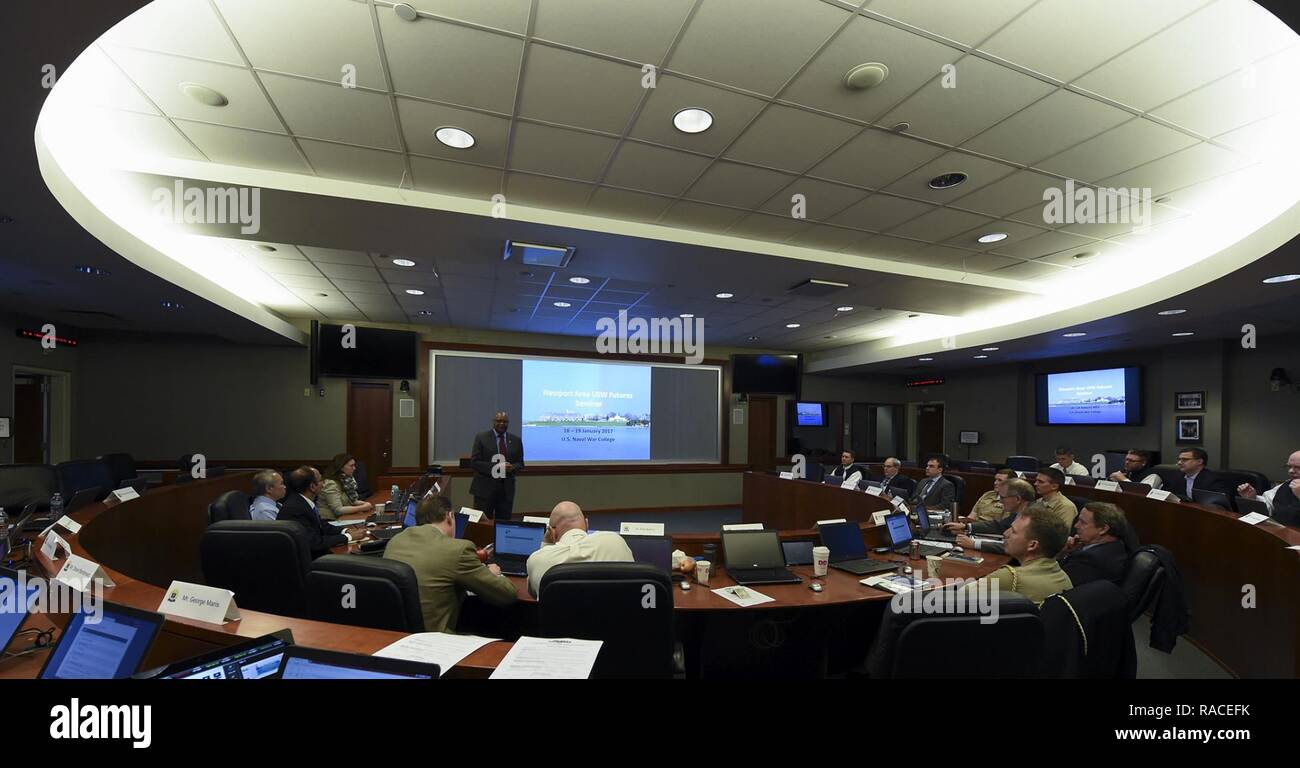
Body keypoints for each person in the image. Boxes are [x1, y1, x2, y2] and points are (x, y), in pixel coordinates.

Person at [383, 493, 517, 632]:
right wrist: (494, 574)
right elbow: (507, 595)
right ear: (449, 516)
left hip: (395, 636)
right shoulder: (458, 549)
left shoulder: (396, 541)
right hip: (434, 641)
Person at [967, 507, 1073, 606]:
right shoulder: (1065, 579)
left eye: (1013, 531)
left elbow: (954, 600)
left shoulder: (1010, 578)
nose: (1005, 533)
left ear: (1032, 545)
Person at [525, 501, 634, 597]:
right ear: (587, 524)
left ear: (552, 533)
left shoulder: (537, 560)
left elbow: (534, 592)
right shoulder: (615, 541)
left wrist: (546, 545)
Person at [277, 466, 366, 557]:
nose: (324, 484)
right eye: (321, 480)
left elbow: (322, 526)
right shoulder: (295, 509)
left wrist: (346, 531)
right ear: (312, 486)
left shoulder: (302, 501)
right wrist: (349, 537)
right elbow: (315, 543)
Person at [946, 477, 1036, 554]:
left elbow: (1016, 547)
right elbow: (998, 526)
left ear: (1017, 499)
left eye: (1002, 497)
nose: (1000, 501)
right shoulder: (1020, 512)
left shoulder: (1033, 518)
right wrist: (965, 527)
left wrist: (974, 544)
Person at [1057, 502, 1130, 586]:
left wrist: (1061, 553)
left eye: (1083, 522)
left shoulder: (1089, 559)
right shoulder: (1117, 546)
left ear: (1103, 529)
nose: (1076, 526)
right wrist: (1068, 551)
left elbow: (1055, 582)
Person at [470, 411, 524, 520]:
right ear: (493, 422)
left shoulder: (516, 441)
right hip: (484, 489)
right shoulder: (481, 437)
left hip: (506, 490)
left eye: (505, 421)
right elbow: (475, 462)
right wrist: (497, 467)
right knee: (482, 524)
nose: (502, 424)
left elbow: (520, 463)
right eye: (499, 421)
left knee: (503, 523)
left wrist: (512, 467)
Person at [1236, 450, 1300, 525]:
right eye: (1289, 466)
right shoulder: (1285, 485)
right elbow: (1269, 506)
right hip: (1279, 533)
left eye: (1298, 467)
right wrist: (1253, 498)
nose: (1291, 471)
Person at [317, 453, 375, 521]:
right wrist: (362, 507)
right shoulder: (331, 483)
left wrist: (365, 504)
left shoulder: (346, 481)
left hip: (342, 518)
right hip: (329, 520)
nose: (354, 468)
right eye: (351, 466)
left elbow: (350, 501)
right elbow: (338, 510)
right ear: (341, 467)